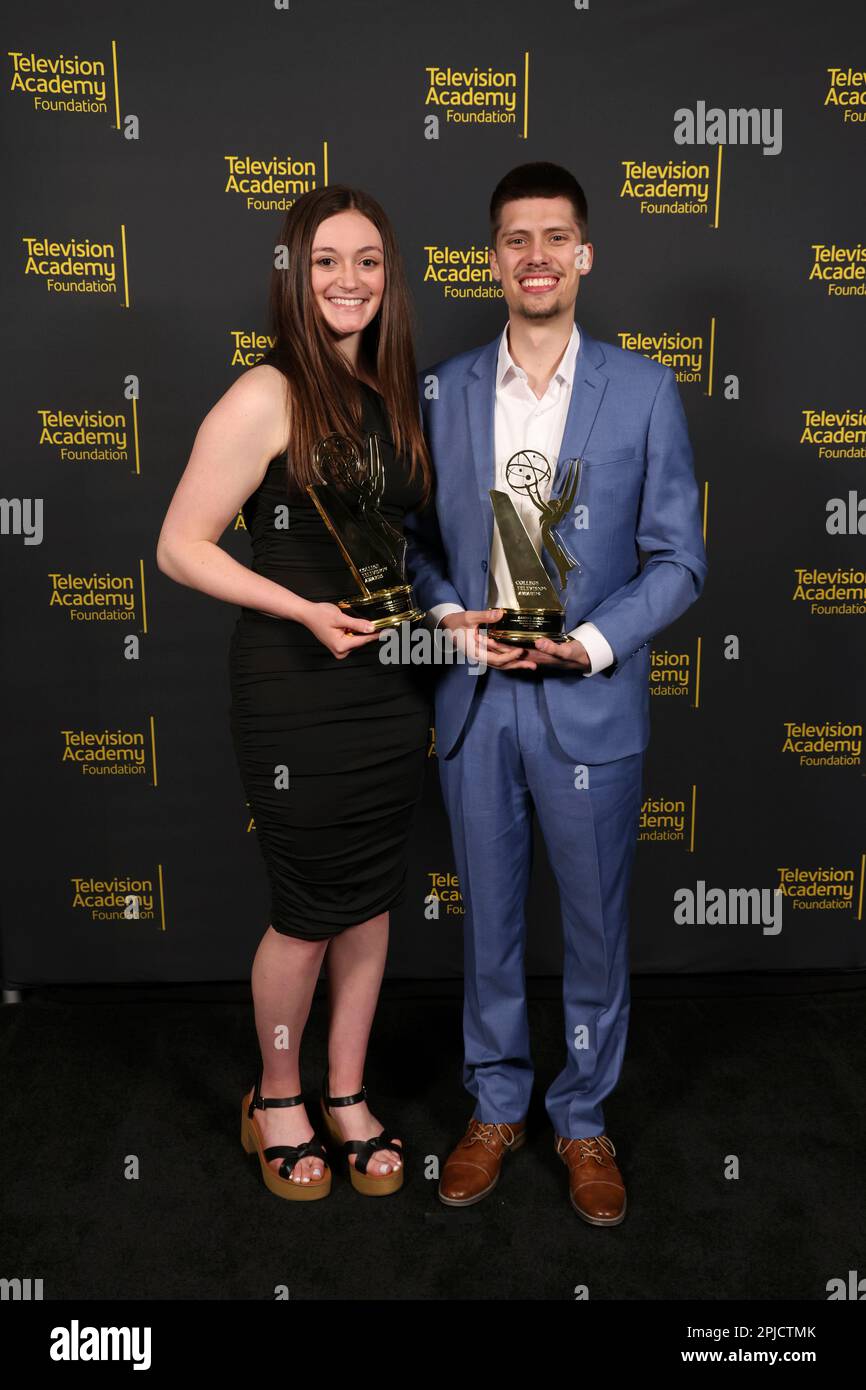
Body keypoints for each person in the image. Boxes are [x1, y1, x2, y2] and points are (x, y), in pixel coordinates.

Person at [404, 161, 707, 1224]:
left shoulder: (643, 388)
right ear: (491, 259)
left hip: (586, 703)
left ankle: (580, 1117)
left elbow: (676, 559)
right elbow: (412, 549)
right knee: (485, 921)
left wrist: (586, 643)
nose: (533, 255)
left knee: (590, 926)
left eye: (554, 237)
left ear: (582, 254)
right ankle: (495, 1106)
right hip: (478, 704)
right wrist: (449, 616)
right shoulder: (440, 392)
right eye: (513, 238)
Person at [156, 185, 432, 1201]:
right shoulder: (267, 392)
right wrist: (302, 609)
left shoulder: (394, 393)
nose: (347, 280)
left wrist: (438, 621)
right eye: (324, 261)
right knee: (309, 908)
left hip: (388, 689)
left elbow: (400, 553)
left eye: (365, 260)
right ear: (293, 274)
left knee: (367, 903)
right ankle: (277, 1094)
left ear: (386, 276)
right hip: (295, 686)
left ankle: (346, 1092)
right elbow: (179, 546)